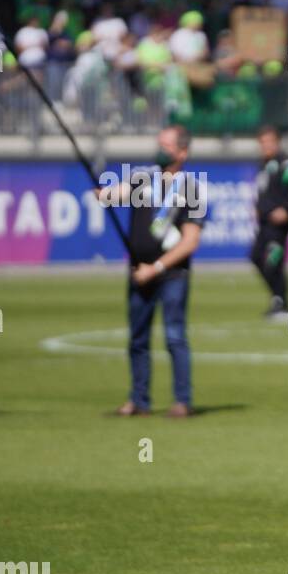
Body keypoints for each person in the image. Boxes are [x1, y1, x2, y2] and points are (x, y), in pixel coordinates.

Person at [104, 125, 206, 417]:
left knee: (174, 337)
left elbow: (190, 242)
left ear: (182, 152)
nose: (160, 149)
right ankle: (138, 401)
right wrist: (102, 191)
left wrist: (157, 267)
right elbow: (111, 196)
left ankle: (182, 401)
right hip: (138, 273)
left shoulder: (191, 189)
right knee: (137, 339)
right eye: (159, 143)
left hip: (172, 275)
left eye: (167, 145)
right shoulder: (142, 180)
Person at [250, 125, 288, 318]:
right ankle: (278, 297)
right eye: (262, 142)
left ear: (277, 142)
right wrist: (257, 207)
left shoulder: (286, 163)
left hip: (278, 223)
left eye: (268, 141)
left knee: (274, 261)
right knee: (256, 256)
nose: (265, 146)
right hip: (264, 222)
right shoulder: (264, 164)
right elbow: (264, 191)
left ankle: (281, 303)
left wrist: (286, 208)